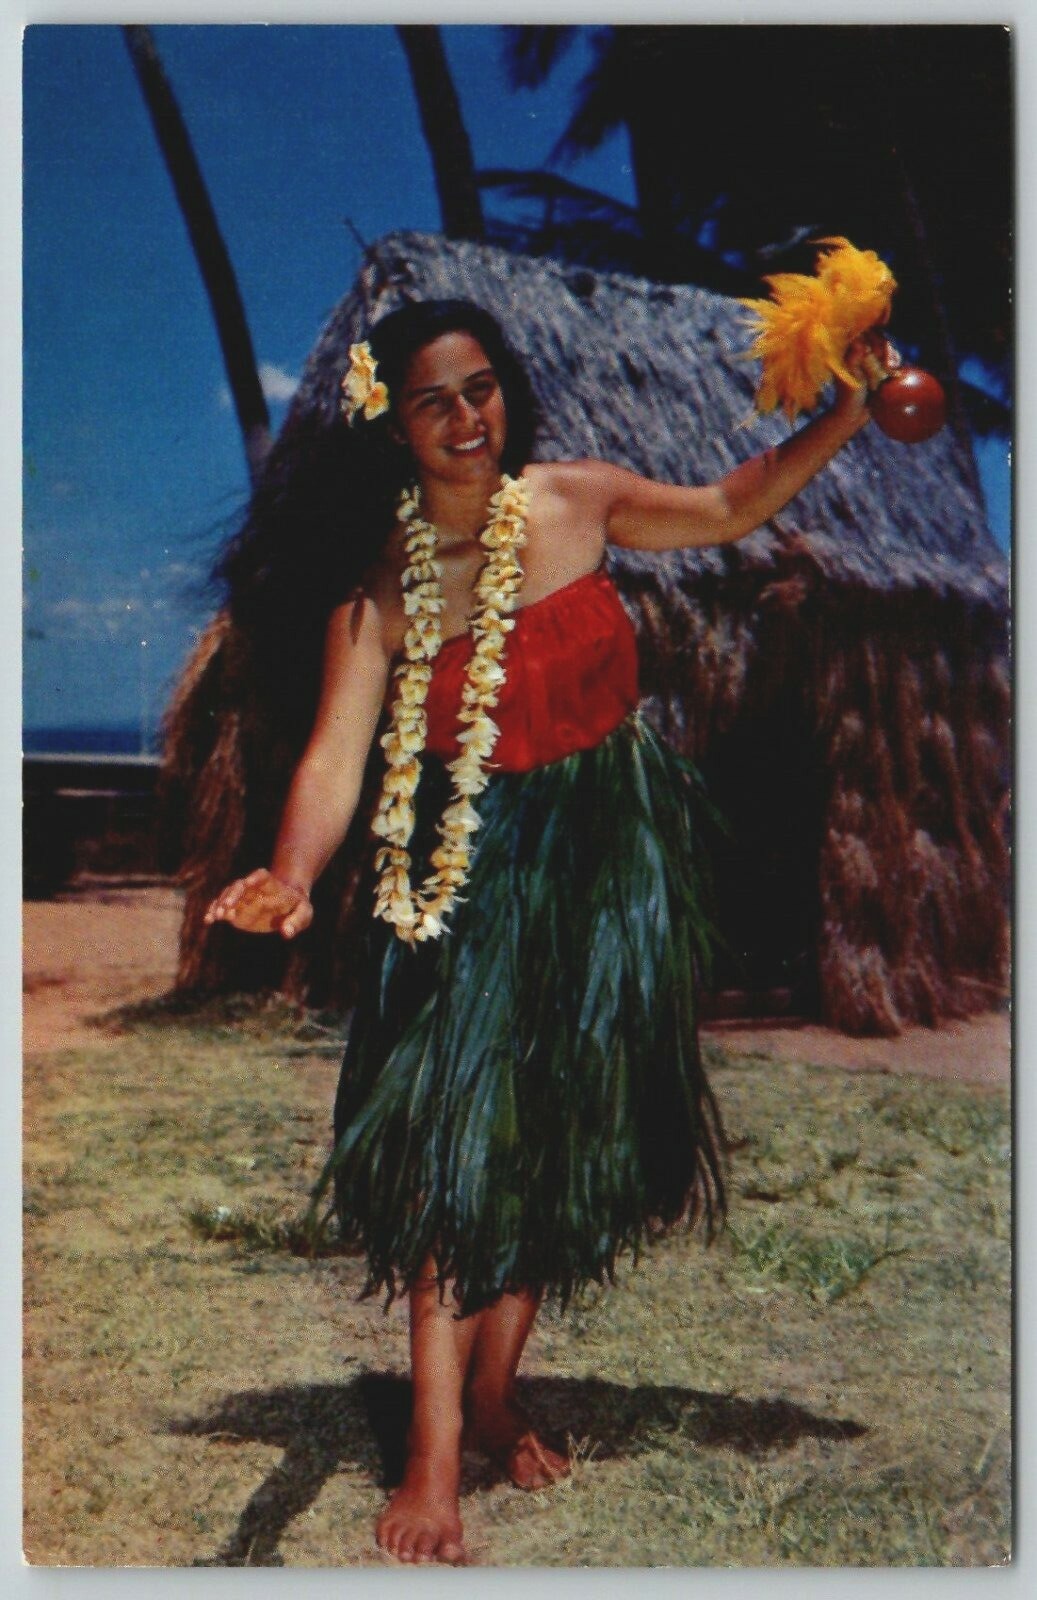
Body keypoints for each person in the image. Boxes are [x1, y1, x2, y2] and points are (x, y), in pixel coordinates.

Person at [204, 298, 885, 1565]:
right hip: (464, 880)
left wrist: (844, 408)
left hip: (603, 862)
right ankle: (428, 1455)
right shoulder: (377, 598)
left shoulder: (575, 501)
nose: (467, 418)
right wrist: (291, 875)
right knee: (452, 1152)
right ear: (391, 424)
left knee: (565, 1140)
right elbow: (335, 756)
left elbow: (733, 504)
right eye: (432, 400)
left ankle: (497, 1389)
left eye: (481, 389)